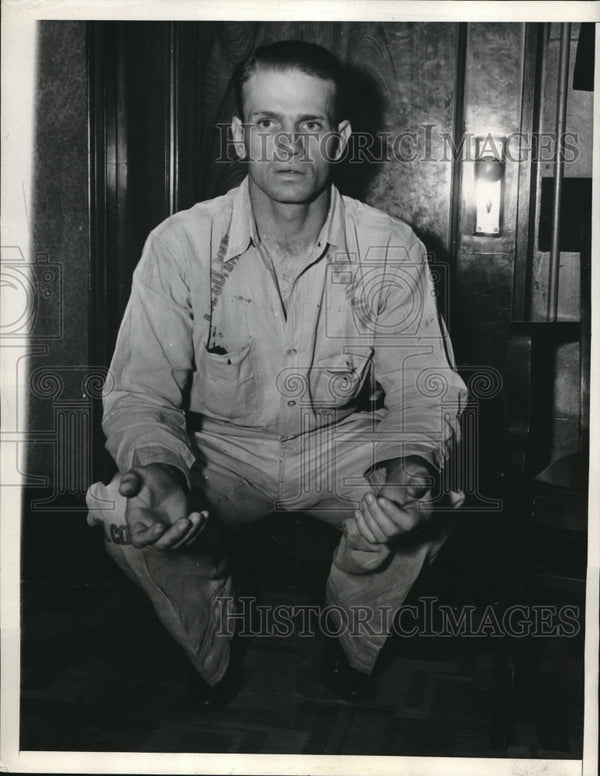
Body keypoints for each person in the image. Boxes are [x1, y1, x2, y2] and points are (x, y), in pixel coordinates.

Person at [86, 40, 468, 704]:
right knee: (129, 518)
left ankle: (351, 631)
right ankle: (212, 650)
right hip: (220, 450)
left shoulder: (390, 247)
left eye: (309, 125)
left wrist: (408, 469)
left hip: (341, 442)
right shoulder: (179, 245)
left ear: (340, 138)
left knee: (427, 512)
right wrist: (160, 471)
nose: (289, 147)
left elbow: (422, 389)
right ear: (239, 135)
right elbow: (141, 392)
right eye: (268, 123)